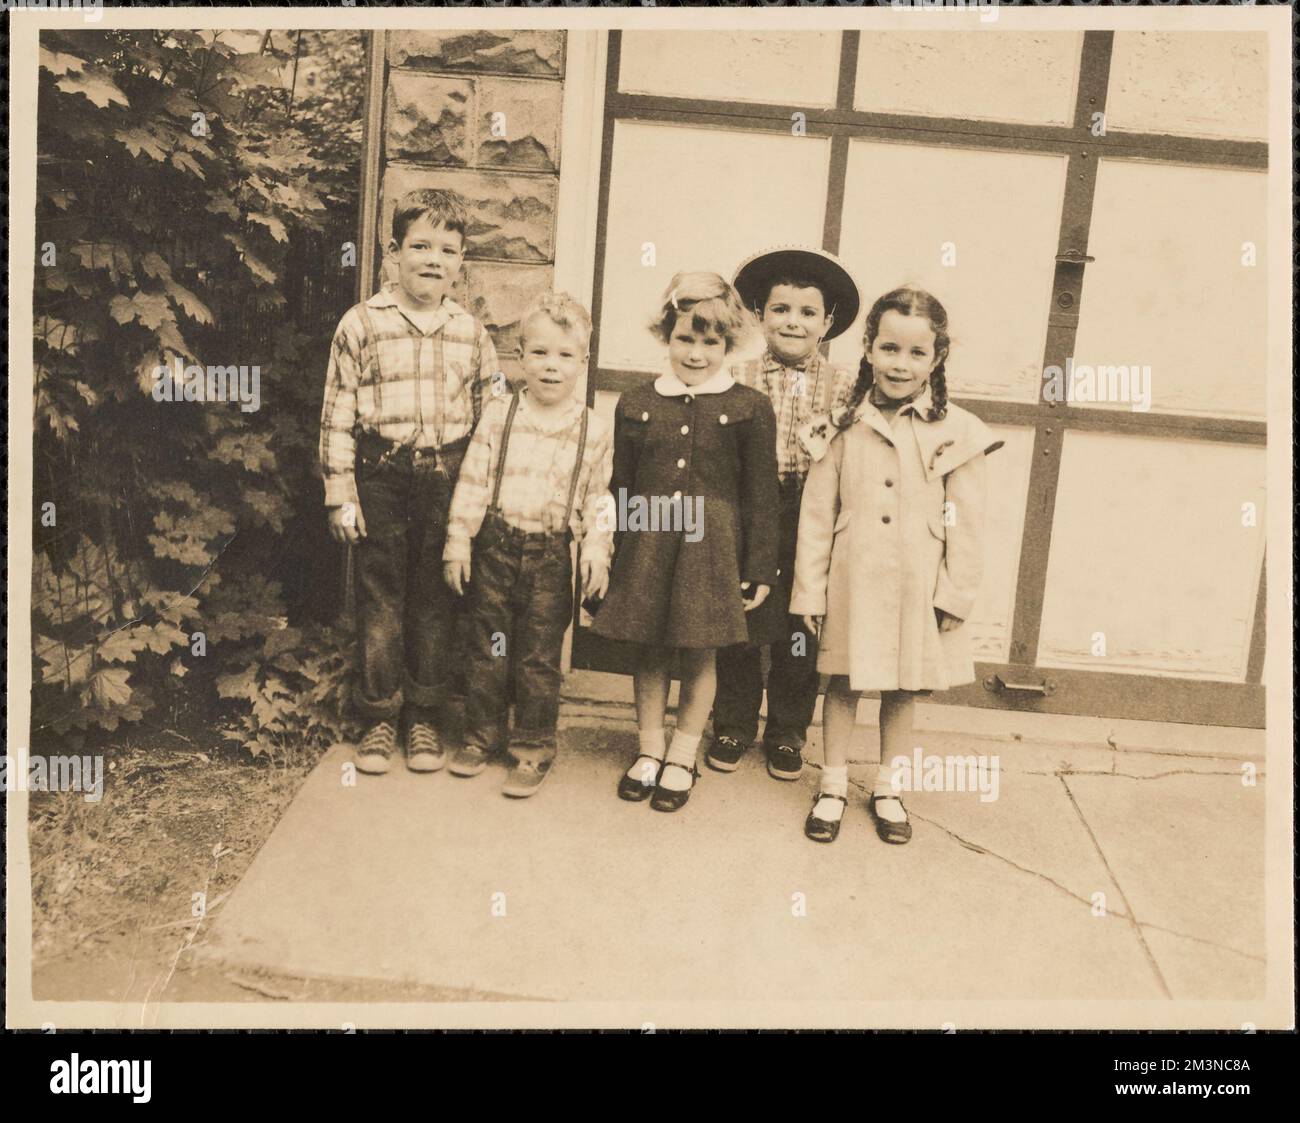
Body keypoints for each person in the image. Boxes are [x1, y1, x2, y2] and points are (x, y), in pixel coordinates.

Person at [790, 286, 1004, 843]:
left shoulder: (957, 430)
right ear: (867, 348)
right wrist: (810, 594)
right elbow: (817, 515)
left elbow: (967, 520)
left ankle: (889, 786)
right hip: (852, 581)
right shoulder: (840, 424)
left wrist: (955, 593)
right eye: (889, 348)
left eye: (916, 353)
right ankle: (833, 783)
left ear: (937, 358)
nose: (900, 364)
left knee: (904, 688)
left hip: (918, 584)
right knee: (841, 680)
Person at [320, 188, 498, 775]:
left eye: (448, 249)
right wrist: (339, 491)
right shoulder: (362, 324)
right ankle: (377, 718)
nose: (433, 259)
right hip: (380, 474)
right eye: (420, 245)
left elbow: (490, 415)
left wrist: (481, 497)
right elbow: (338, 410)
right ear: (392, 252)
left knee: (436, 600)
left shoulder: (470, 331)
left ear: (462, 260)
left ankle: (424, 716)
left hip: (447, 474)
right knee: (380, 597)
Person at [591, 272, 780, 812]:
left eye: (710, 342)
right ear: (665, 337)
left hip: (712, 548)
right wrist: (608, 551)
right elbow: (619, 487)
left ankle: (682, 754)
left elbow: (761, 495)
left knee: (699, 652)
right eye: (684, 339)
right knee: (650, 650)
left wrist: (759, 566)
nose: (695, 354)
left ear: (728, 345)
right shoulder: (636, 401)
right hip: (648, 541)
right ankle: (649, 750)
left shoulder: (749, 406)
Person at [443, 293, 614, 797]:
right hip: (495, 546)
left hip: (552, 556)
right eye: (539, 353)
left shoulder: (593, 428)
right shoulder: (500, 415)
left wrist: (596, 554)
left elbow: (598, 499)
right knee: (487, 647)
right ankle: (480, 735)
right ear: (520, 357)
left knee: (538, 657)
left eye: (565, 356)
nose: (551, 367)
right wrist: (458, 541)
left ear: (583, 363)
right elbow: (473, 480)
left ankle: (532, 747)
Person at [708, 246, 860, 782]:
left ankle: (789, 730)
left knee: (802, 625)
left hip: (812, 516)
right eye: (781, 309)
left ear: (828, 321)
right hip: (752, 511)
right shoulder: (738, 374)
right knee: (743, 620)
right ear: (758, 313)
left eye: (807, 312)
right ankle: (732, 722)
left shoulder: (846, 386)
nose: (793, 322)